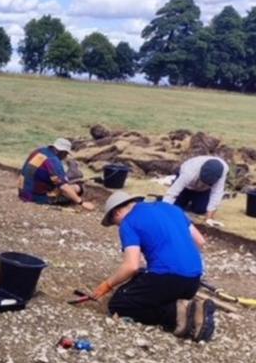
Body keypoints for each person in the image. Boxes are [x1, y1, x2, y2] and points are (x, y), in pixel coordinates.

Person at [90, 191, 215, 342]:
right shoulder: (170, 208)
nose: (119, 227)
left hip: (168, 277)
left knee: (119, 305)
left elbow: (131, 266)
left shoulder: (129, 222)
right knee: (146, 283)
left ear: (117, 213)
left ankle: (176, 316)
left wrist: (107, 284)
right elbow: (200, 241)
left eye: (116, 223)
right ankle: (186, 306)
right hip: (193, 280)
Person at [18, 138, 95, 210]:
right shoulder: (53, 161)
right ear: (62, 152)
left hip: (23, 191)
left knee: (67, 184)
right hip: (36, 197)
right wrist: (81, 202)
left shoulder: (39, 151)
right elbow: (64, 187)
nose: (65, 157)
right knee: (78, 188)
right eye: (66, 154)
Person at [163, 156, 228, 226]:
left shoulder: (222, 171)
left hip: (202, 190)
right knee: (176, 206)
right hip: (186, 187)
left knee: (201, 209)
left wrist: (209, 218)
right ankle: (163, 200)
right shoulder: (189, 171)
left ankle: (192, 200)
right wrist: (164, 210)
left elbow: (217, 192)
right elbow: (173, 192)